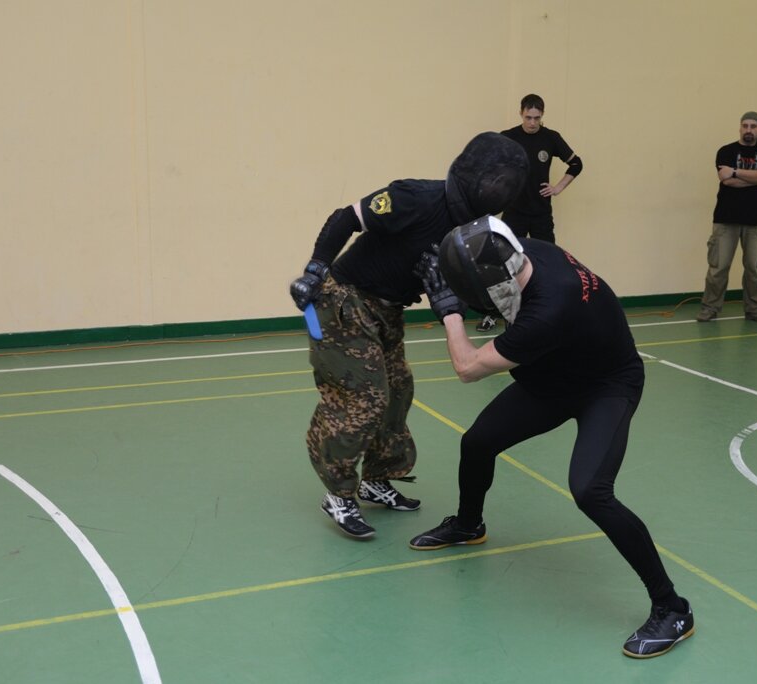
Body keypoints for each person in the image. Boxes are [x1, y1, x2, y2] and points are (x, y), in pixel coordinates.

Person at [411, 216, 694, 659]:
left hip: (607, 386)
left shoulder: (550, 308)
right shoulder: (525, 250)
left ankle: (673, 608)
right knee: (478, 442)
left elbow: (467, 368)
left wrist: (448, 308)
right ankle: (469, 524)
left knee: (590, 490)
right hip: (553, 376)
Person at [289, 132, 528, 539]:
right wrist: (315, 271)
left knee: (399, 390)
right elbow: (346, 217)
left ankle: (375, 479)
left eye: (504, 184)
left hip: (387, 308)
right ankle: (338, 491)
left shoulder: (477, 230)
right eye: (492, 180)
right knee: (364, 397)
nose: (497, 189)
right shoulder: (415, 198)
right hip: (344, 299)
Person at [477, 93, 582, 332]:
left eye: (537, 117)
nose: (532, 122)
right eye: (528, 117)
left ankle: (554, 310)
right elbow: (489, 165)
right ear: (521, 113)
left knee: (551, 262)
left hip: (541, 213)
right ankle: (494, 313)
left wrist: (558, 187)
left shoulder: (551, 138)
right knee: (503, 263)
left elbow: (577, 164)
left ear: (542, 115)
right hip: (514, 212)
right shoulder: (508, 137)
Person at [696, 111, 757, 324]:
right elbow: (727, 180)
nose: (749, 130)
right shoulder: (726, 151)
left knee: (753, 268)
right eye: (745, 125)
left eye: (753, 126)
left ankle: (755, 310)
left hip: (756, 220)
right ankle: (709, 308)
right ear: (740, 128)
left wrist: (735, 172)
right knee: (718, 267)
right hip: (725, 219)